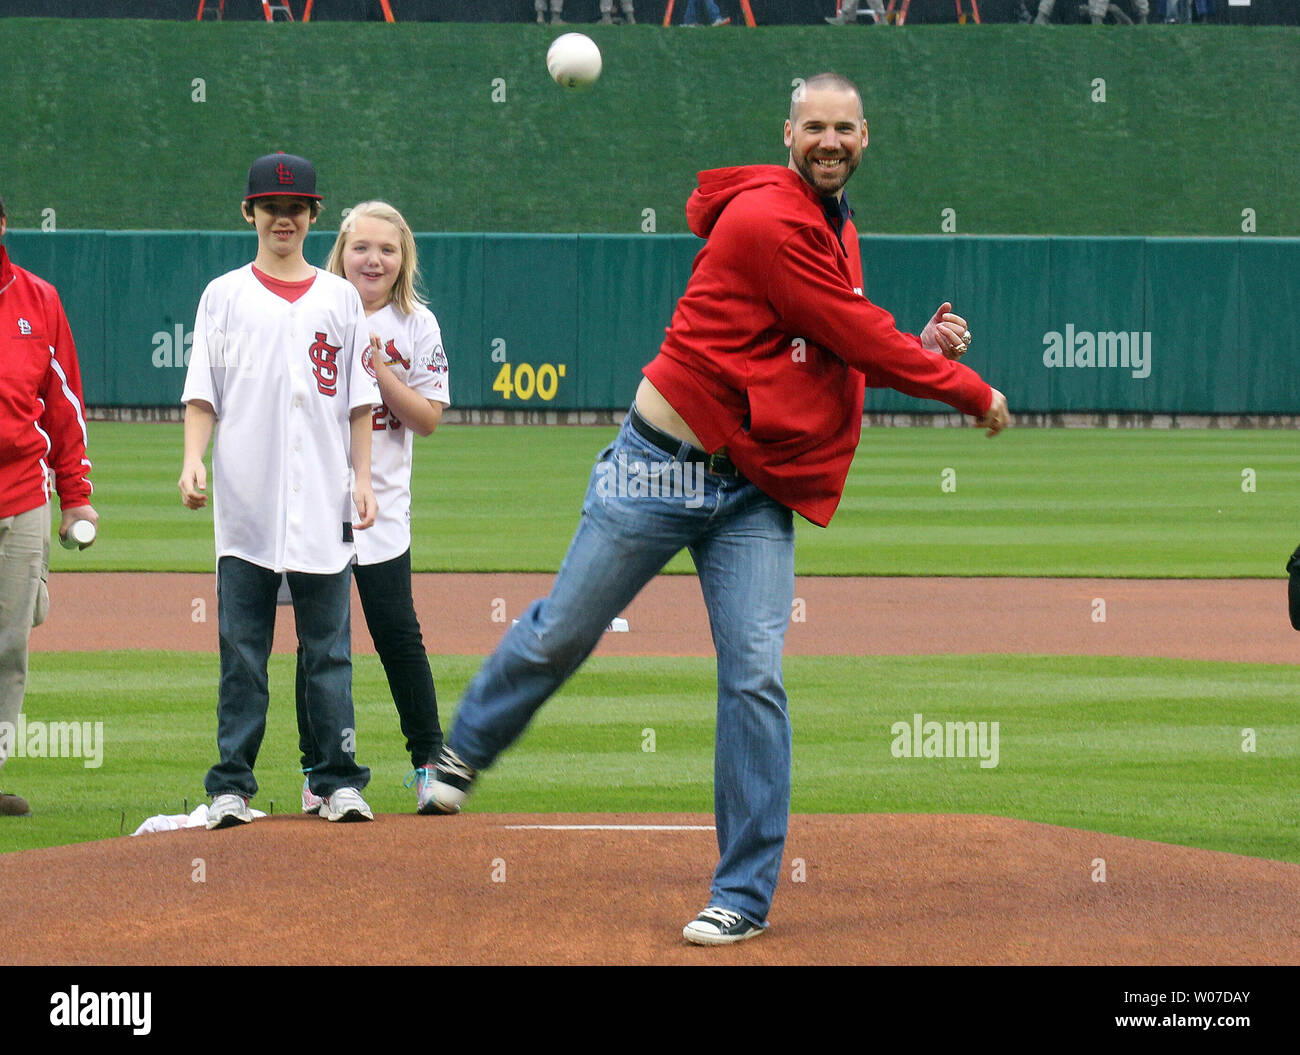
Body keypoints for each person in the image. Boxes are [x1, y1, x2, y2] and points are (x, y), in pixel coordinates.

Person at [425, 73, 1009, 945]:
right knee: (562, 629)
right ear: (788, 132)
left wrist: (915, 347)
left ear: (865, 137)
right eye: (815, 126)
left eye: (844, 128)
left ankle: (742, 893)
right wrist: (966, 386)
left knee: (755, 675)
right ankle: (465, 745)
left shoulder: (835, 230)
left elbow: (824, 341)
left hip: (751, 488)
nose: (830, 141)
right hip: (658, 468)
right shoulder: (770, 219)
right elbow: (850, 334)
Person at [178, 153, 380, 830]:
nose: (283, 218)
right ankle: (230, 784)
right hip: (246, 502)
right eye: (270, 207)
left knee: (329, 652)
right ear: (249, 213)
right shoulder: (224, 295)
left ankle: (336, 780)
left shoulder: (339, 298)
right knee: (242, 652)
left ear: (314, 215)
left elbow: (359, 401)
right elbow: (203, 392)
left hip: (324, 502)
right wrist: (191, 460)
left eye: (295, 208)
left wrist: (361, 478)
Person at [296, 201, 450, 816]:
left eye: (387, 249)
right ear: (342, 251)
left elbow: (429, 419)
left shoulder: (417, 323)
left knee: (397, 636)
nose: (374, 259)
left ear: (402, 258)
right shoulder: (313, 310)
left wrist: (379, 367)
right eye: (362, 247)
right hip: (317, 505)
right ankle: (320, 773)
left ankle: (429, 765)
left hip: (383, 508)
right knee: (320, 642)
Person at [0, 191, 98, 818]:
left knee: (9, 644)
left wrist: (77, 496)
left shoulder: (38, 299)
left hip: (22, 497)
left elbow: (63, 404)